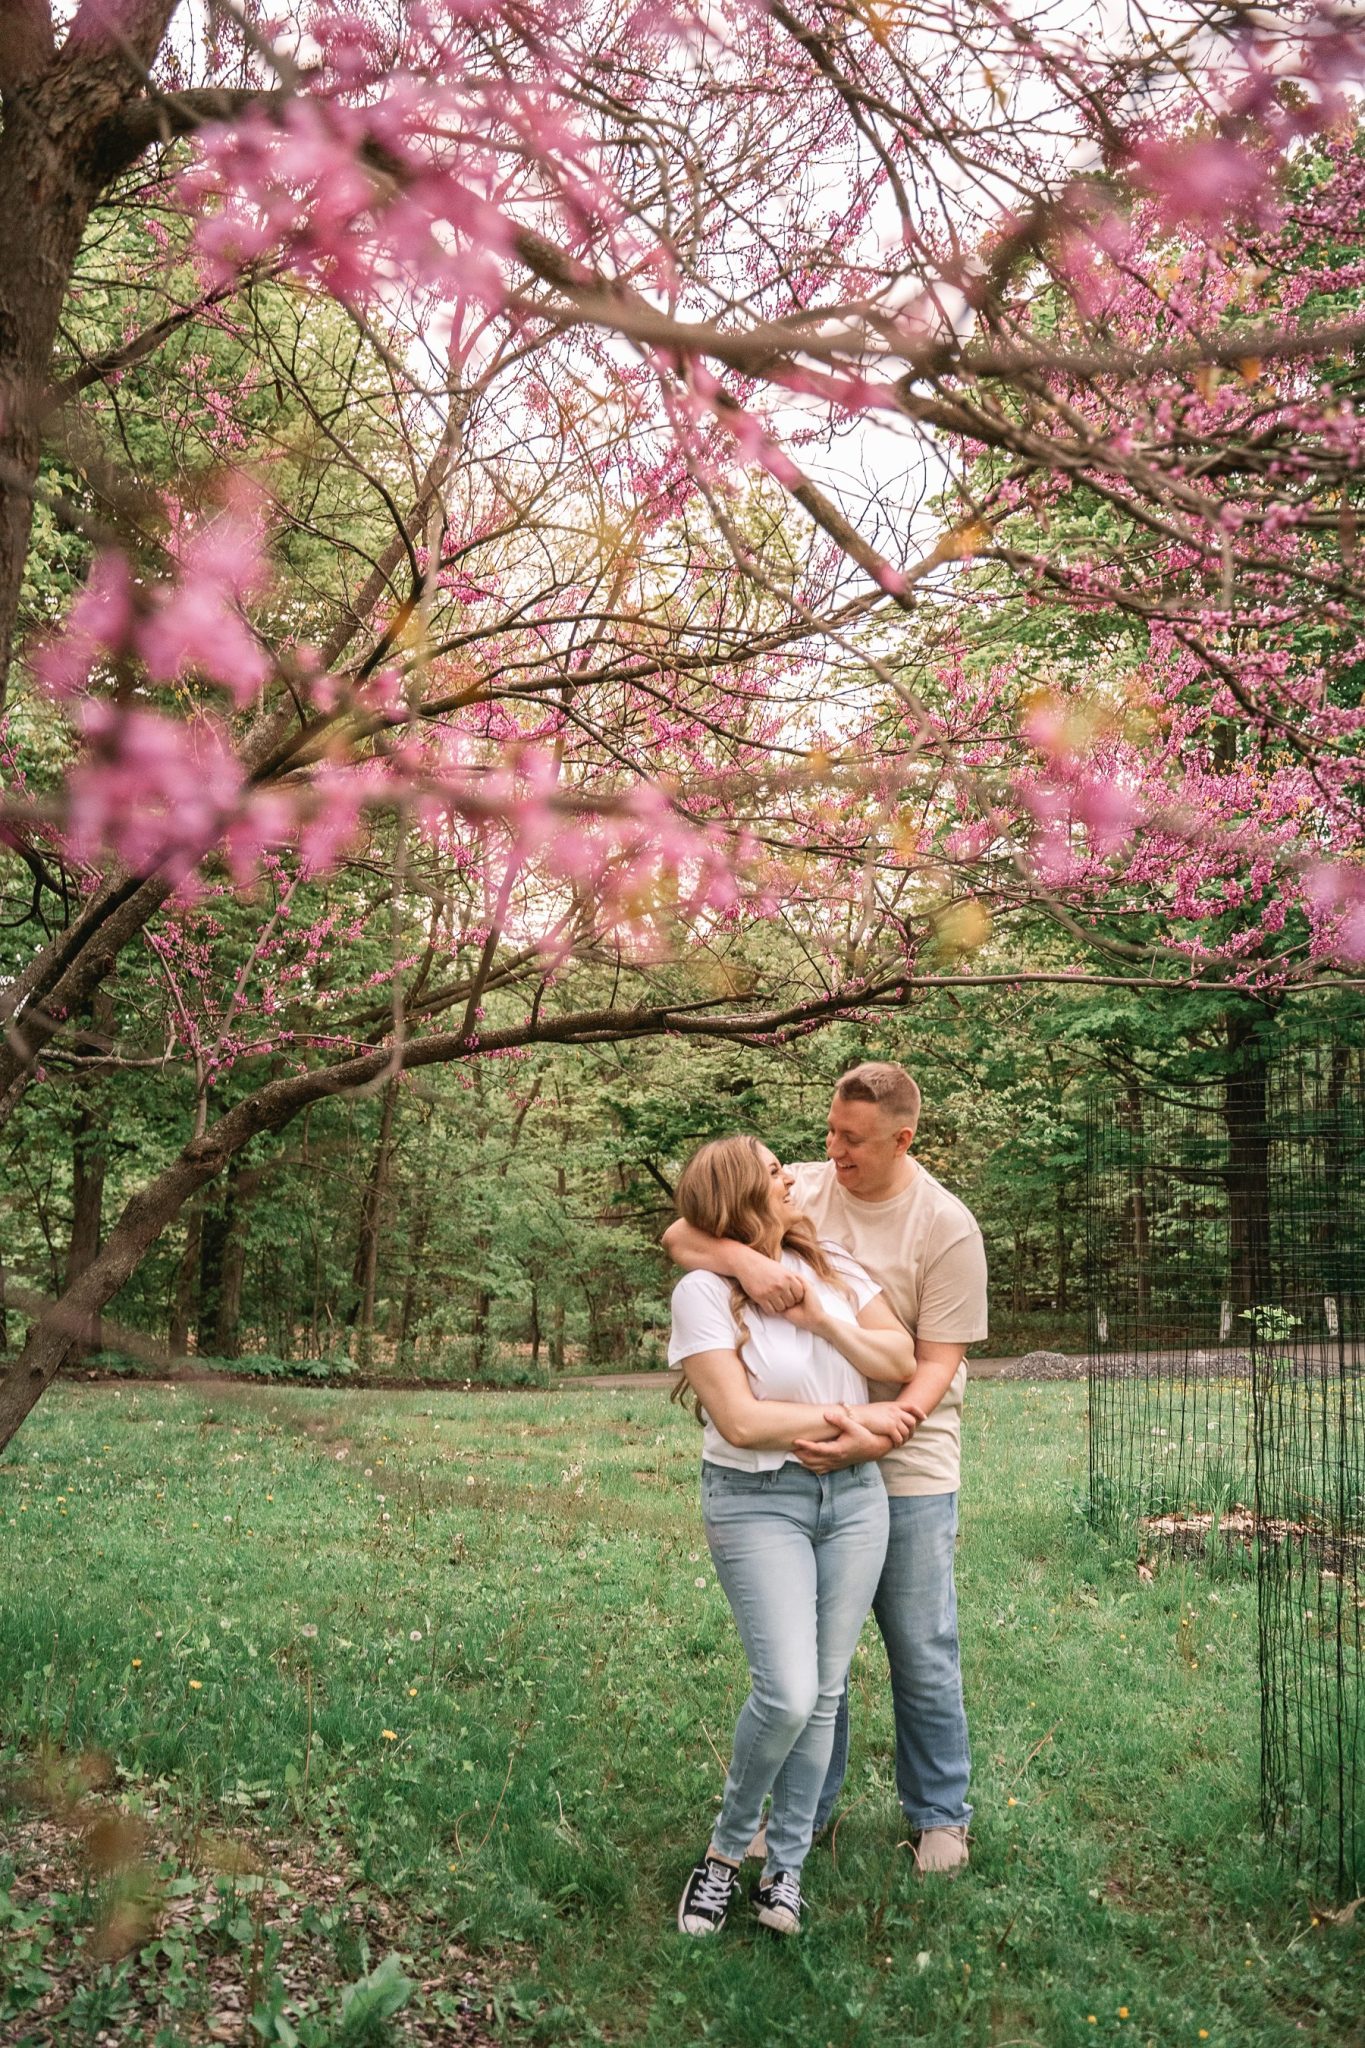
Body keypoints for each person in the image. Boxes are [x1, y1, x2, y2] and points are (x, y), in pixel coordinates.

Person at [665, 1061, 988, 1876]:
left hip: (908, 1453)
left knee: (919, 1644)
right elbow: (682, 1234)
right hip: (805, 1452)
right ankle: (806, 1813)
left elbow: (932, 1363)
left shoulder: (944, 1226)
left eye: (853, 1140)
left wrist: (880, 1430)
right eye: (830, 1132)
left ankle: (939, 1813)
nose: (832, 1151)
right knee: (816, 1660)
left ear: (901, 1140)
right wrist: (746, 1263)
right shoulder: (803, 1186)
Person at [667, 1134, 925, 1938]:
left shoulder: (833, 1267)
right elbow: (741, 1422)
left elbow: (898, 1355)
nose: (791, 1178)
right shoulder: (705, 1291)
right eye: (774, 1171)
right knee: (786, 1690)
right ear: (740, 1195)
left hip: (853, 1499)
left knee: (825, 1693)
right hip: (758, 1501)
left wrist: (821, 1318)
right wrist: (857, 1419)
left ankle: (785, 1870)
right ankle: (722, 1856)